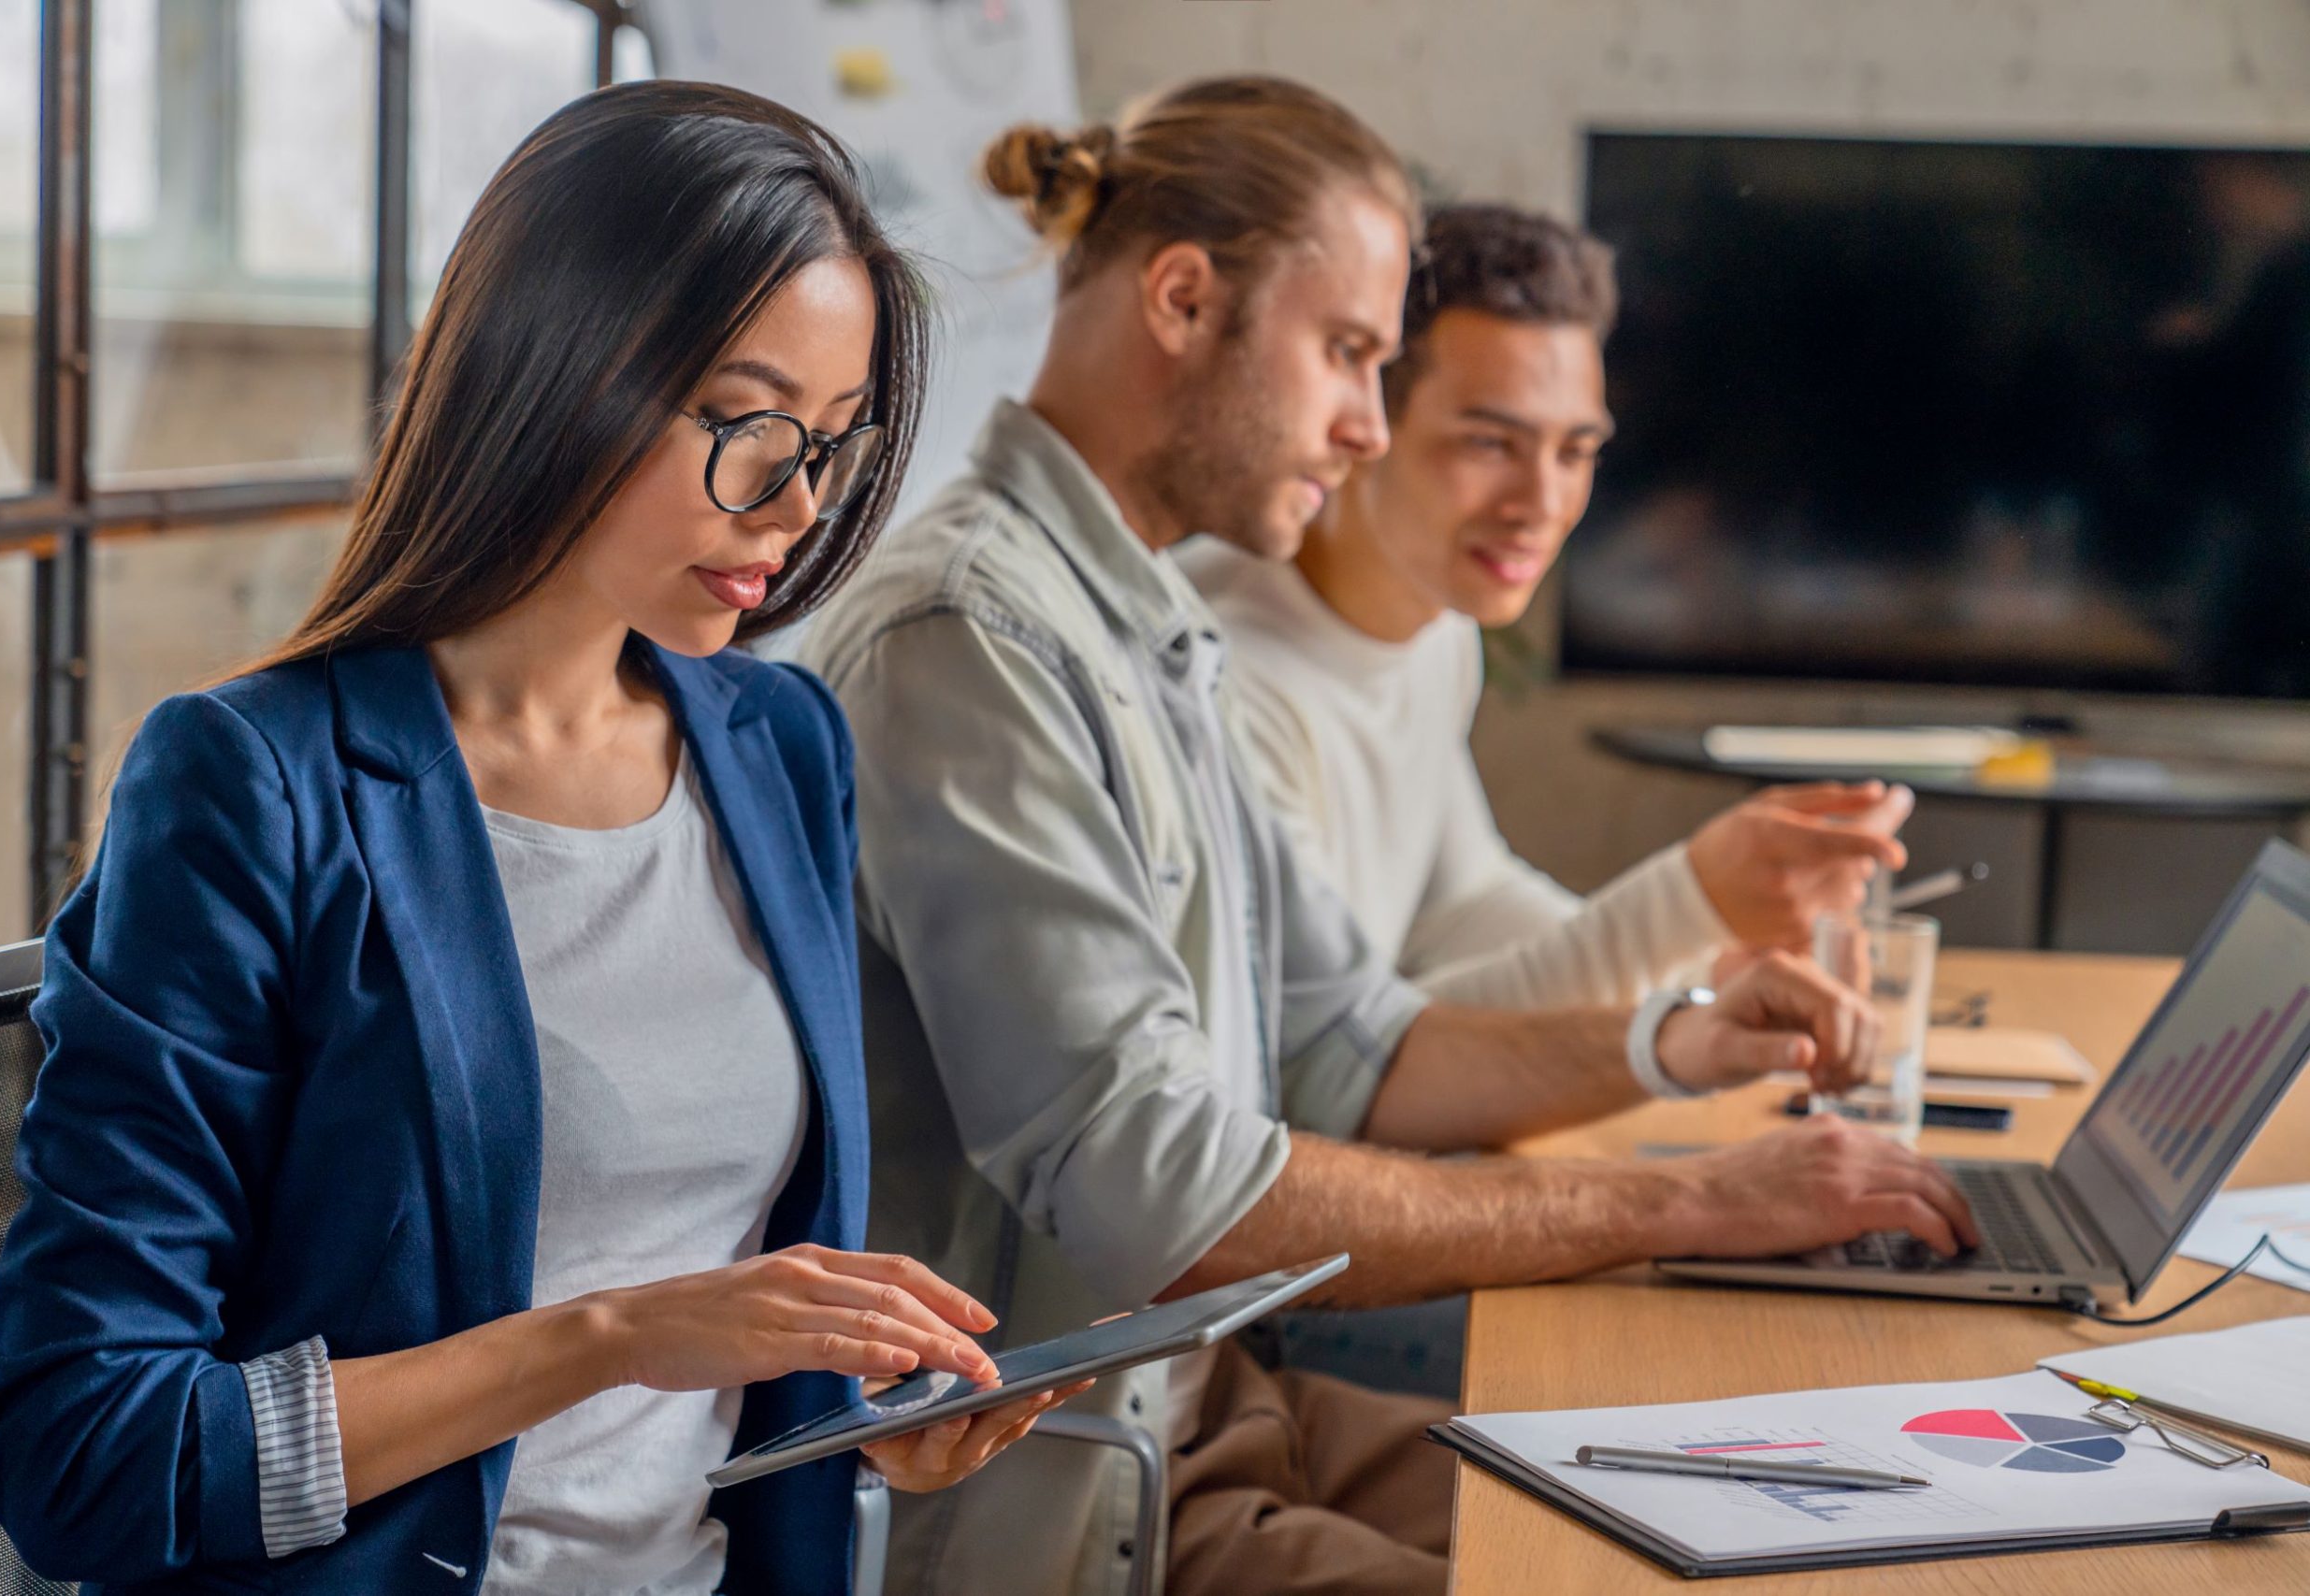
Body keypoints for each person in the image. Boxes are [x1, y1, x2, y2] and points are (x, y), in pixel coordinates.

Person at [797, 76, 1977, 1596]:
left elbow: (1358, 1043)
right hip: (1078, 1502)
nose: (1366, 424)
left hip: (1222, 1407)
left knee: (1808, 1513)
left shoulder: (1143, 627)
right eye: (1351, 353)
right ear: (1182, 299)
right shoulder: (969, 644)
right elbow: (1159, 1192)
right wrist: (1692, 1200)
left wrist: (1669, 1041)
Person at [0, 82, 1078, 1596]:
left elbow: (709, 1327)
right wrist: (604, 1338)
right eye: (745, 423)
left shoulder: (777, 747)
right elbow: (82, 1451)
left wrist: (860, 1415)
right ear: (558, 368)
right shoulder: (254, 786)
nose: (796, 505)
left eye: (830, 441)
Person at [1178, 204, 1916, 1014]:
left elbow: (1461, 905)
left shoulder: (1436, 626)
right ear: (1358, 422)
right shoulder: (1224, 679)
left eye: (1574, 452)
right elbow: (1336, 1056)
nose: (1541, 503)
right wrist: (1687, 902)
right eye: (1490, 444)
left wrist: (1705, 970)